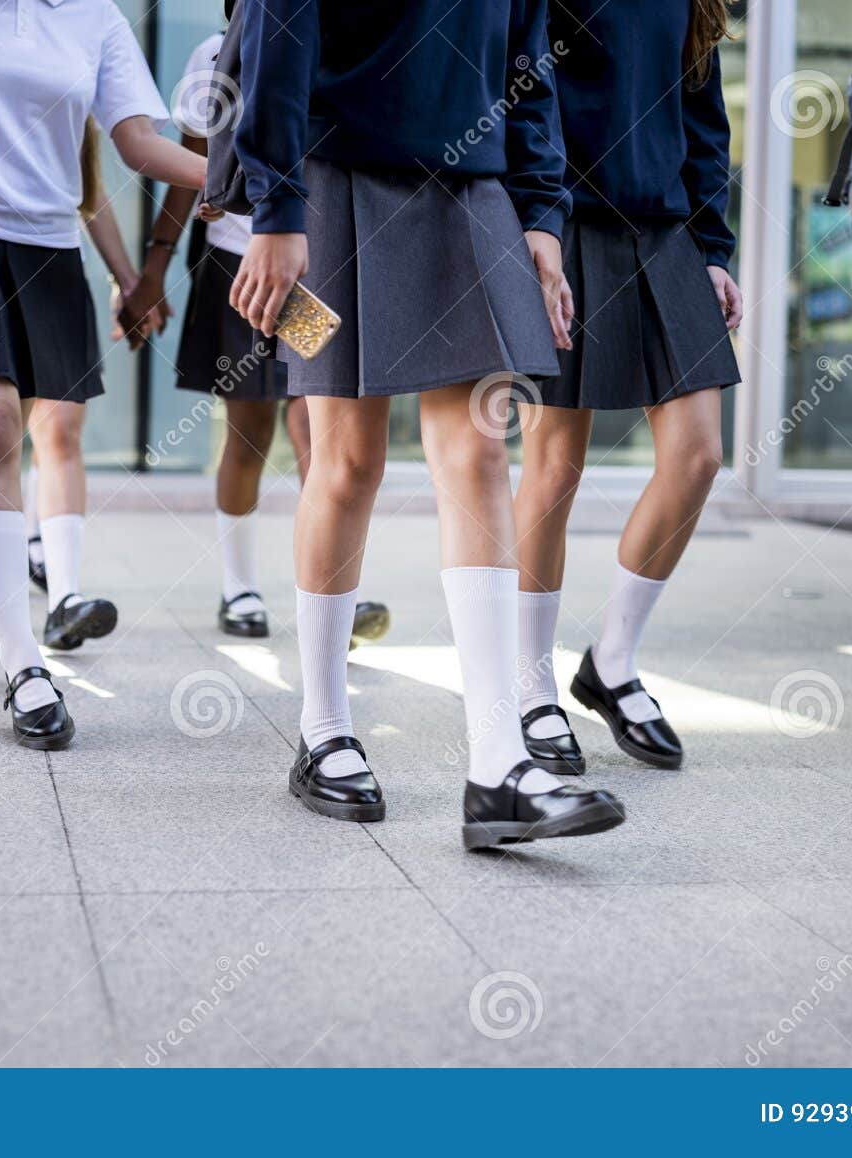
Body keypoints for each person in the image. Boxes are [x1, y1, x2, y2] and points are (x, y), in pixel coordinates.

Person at [233, 0, 625, 848]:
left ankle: (498, 767)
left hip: (473, 196)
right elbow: (277, 35)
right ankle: (323, 728)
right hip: (324, 190)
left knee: (481, 448)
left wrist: (541, 216)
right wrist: (275, 212)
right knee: (345, 460)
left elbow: (529, 72)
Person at [0, 0, 206, 749]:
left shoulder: (99, 19)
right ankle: (25, 667)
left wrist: (238, 180)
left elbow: (139, 145)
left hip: (47, 246)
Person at [512, 0, 742, 776]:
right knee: (553, 470)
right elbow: (525, 98)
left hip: (668, 229)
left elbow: (703, 117)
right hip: (566, 221)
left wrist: (713, 247)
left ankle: (611, 661)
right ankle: (529, 680)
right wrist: (533, 223)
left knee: (699, 456)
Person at [125, 11, 391, 647]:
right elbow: (195, 160)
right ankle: (238, 586)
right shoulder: (214, 56)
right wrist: (155, 265)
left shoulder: (342, 46)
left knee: (318, 431)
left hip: (319, 267)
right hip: (237, 264)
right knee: (250, 431)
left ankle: (333, 594)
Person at [0, 128, 148, 650]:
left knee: (60, 429)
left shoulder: (72, 71)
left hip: (57, 273)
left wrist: (128, 282)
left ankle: (64, 598)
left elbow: (89, 193)